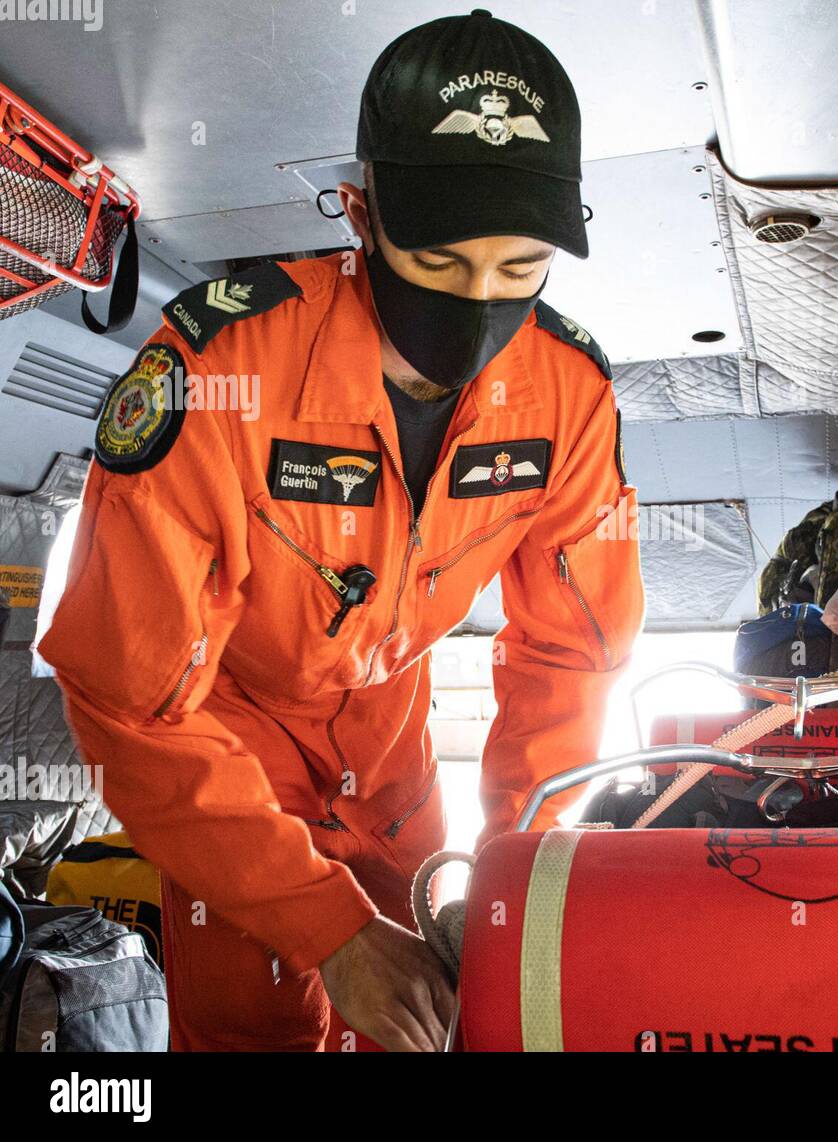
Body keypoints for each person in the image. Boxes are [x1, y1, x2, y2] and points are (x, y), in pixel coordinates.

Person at [38, 8, 643, 1052]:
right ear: (361, 215)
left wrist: (515, 868)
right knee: (253, 1029)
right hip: (223, 741)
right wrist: (324, 929)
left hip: (391, 744)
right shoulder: (217, 371)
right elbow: (127, 694)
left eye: (522, 267)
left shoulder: (570, 392)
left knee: (437, 1005)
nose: (483, 303)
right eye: (441, 261)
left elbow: (572, 655)